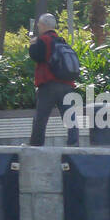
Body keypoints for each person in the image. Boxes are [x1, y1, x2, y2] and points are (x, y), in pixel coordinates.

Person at [27, 13, 78, 147]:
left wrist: (32, 44)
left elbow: (36, 56)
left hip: (49, 85)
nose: (38, 26)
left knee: (41, 119)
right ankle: (74, 145)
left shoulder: (43, 40)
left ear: (43, 25)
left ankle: (36, 146)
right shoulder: (61, 41)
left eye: (39, 24)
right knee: (69, 117)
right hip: (67, 85)